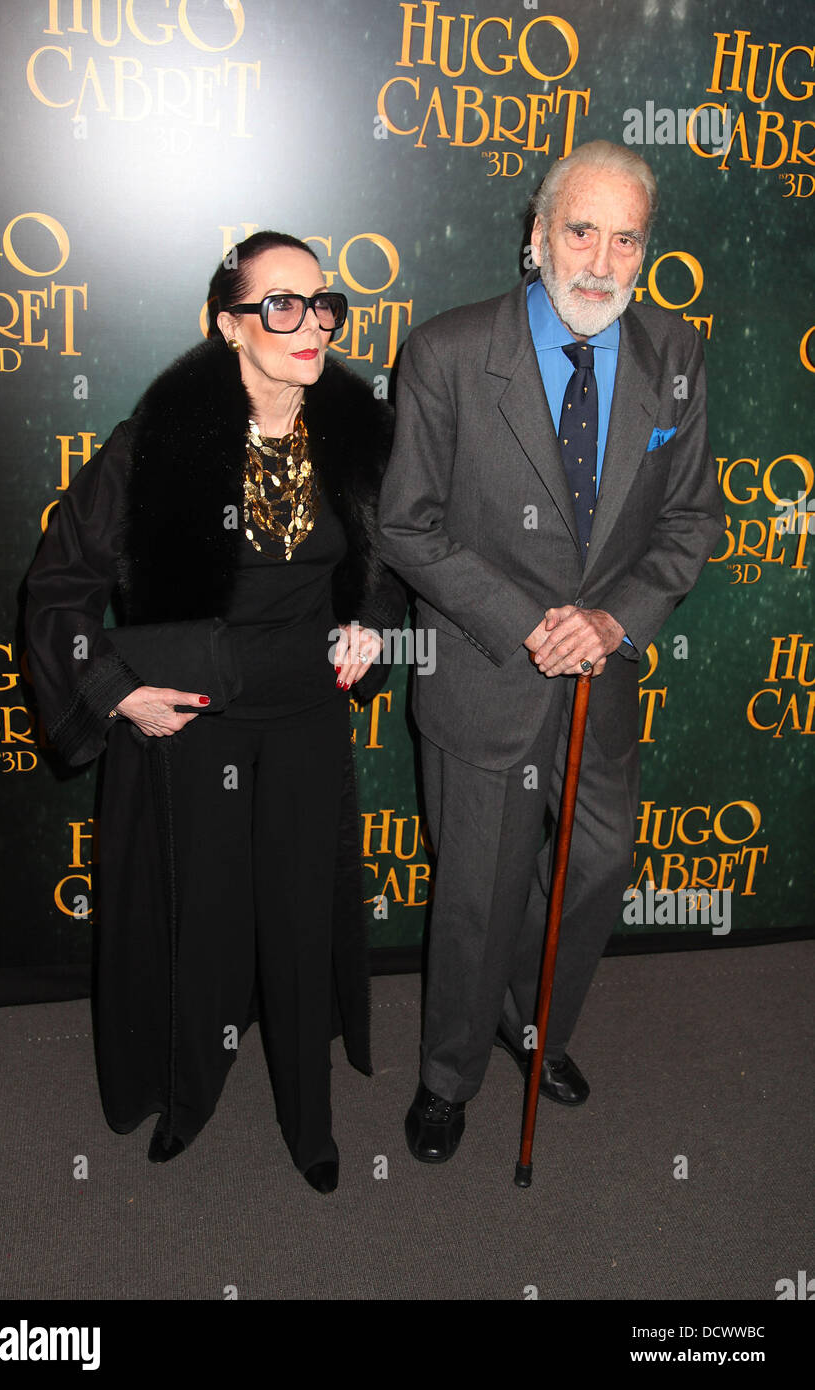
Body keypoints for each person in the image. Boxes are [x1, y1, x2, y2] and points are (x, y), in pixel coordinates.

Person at [25, 231, 404, 1193]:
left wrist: (369, 621)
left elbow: (397, 559)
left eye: (321, 305)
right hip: (195, 724)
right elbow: (59, 582)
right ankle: (189, 1094)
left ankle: (310, 1123)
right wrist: (113, 690)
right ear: (228, 324)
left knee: (295, 909)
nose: (310, 324)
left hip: (308, 717)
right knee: (207, 916)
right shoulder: (162, 440)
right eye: (280, 305)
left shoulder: (359, 431)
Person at [377, 141, 725, 1163]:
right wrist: (522, 619)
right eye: (581, 229)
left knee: (593, 869)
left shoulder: (674, 357)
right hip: (484, 673)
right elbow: (407, 526)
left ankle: (530, 1023)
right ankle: (448, 1076)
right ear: (535, 238)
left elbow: (689, 521)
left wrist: (613, 620)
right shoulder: (444, 352)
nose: (601, 260)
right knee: (476, 890)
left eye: (626, 238)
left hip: (599, 681)